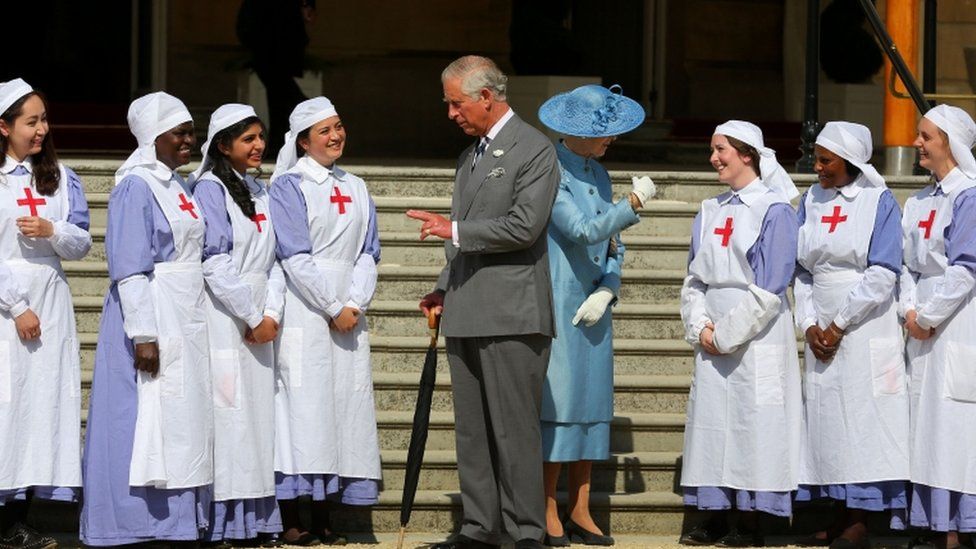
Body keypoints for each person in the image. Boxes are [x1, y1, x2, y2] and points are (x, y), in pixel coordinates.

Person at [407, 55, 560, 549]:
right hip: (467, 309)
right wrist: (442, 285)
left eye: (456, 103)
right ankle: (479, 528)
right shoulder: (470, 155)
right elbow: (461, 238)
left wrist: (451, 229)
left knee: (514, 432)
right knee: (473, 431)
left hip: (513, 313)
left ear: (486, 98)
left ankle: (525, 533)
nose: (451, 113)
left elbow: (523, 226)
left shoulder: (534, 149)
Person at [80, 92, 214, 545]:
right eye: (179, 132)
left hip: (186, 315)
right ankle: (131, 524)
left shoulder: (178, 184)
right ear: (151, 136)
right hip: (151, 315)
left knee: (181, 418)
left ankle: (179, 522)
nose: (189, 140)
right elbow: (129, 267)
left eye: (191, 131)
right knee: (144, 420)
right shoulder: (136, 186)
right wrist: (143, 335)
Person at [533, 84, 654, 547]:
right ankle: (546, 505)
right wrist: (634, 204)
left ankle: (580, 505)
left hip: (594, 301)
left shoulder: (600, 173)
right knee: (560, 405)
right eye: (605, 134)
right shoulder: (551, 172)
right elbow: (582, 230)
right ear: (576, 134)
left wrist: (610, 286)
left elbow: (612, 244)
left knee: (591, 404)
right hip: (561, 298)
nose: (612, 141)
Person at [678, 120, 801, 548]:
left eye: (721, 150)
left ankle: (752, 519)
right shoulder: (710, 209)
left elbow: (771, 285)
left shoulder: (774, 209)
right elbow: (694, 278)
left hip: (756, 334)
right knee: (712, 424)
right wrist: (700, 326)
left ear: (747, 154)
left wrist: (726, 333)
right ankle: (714, 512)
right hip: (713, 330)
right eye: (713, 149)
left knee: (755, 424)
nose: (713, 158)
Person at [268, 96, 381, 546]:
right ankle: (292, 515)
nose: (335, 136)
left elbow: (368, 252)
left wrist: (355, 302)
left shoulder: (355, 185)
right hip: (306, 308)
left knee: (341, 410)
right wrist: (333, 307)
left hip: (349, 313)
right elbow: (294, 255)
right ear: (303, 141)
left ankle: (325, 515)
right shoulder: (289, 185)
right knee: (302, 410)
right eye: (324, 131)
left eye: (339, 126)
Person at [792, 121, 909, 549]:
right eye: (817, 159)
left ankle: (860, 519)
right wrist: (808, 324)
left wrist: (839, 324)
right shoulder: (809, 199)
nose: (817, 167)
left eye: (826, 160)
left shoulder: (879, 202)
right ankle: (836, 511)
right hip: (819, 320)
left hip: (863, 320)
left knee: (860, 418)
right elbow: (801, 270)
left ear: (851, 161)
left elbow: (883, 270)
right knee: (826, 423)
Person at [0, 78, 91, 549]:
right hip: (7, 304)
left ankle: (22, 517)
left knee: (43, 406)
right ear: (4, 126)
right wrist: (17, 306)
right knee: (8, 406)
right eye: (31, 121)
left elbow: (80, 242)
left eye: (43, 120)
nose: (42, 130)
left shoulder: (58, 177)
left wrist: (52, 228)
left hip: (51, 298)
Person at [189, 104, 285, 545]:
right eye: (248, 139)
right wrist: (251, 314)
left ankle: (258, 521)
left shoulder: (259, 190)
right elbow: (214, 261)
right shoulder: (210, 189)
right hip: (227, 318)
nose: (259, 145)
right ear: (222, 145)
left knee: (258, 420)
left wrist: (272, 314)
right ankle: (224, 524)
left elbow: (276, 261)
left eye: (261, 137)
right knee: (229, 417)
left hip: (260, 316)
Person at [901, 104, 976, 549]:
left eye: (926, 136)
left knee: (953, 426)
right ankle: (932, 525)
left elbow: (966, 269)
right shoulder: (919, 200)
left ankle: (957, 529)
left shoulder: (969, 196)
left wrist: (927, 318)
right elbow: (907, 267)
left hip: (957, 321)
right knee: (924, 425)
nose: (917, 143)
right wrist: (911, 313)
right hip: (921, 327)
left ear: (949, 142)